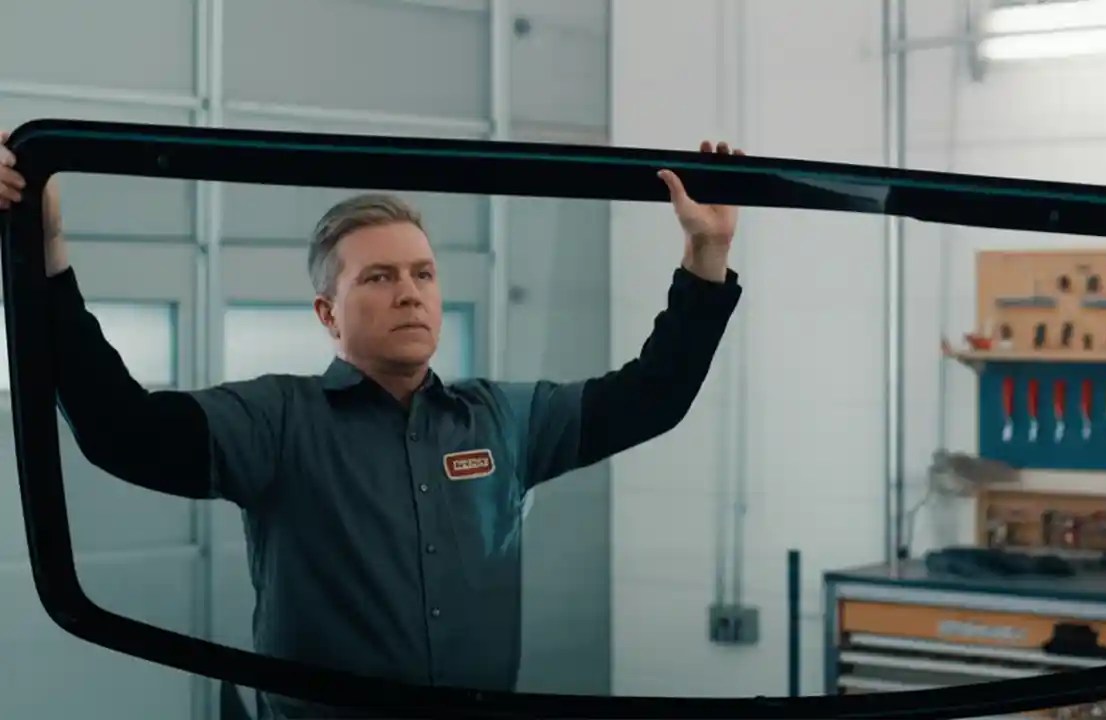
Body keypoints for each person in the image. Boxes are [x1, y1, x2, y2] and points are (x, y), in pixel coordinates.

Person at [0, 130, 745, 718]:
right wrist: (47, 250)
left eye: (423, 274)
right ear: (328, 312)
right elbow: (121, 430)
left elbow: (654, 396)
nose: (410, 294)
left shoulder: (505, 419)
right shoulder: (278, 421)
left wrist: (705, 253)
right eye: (379, 278)